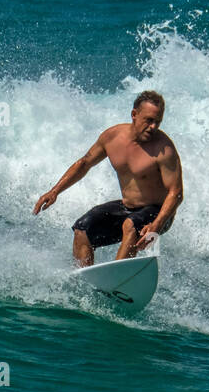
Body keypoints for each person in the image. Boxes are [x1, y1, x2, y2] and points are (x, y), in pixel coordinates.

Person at [33, 91, 183, 266]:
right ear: (134, 114)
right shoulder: (112, 138)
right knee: (83, 227)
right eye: (149, 120)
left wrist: (156, 225)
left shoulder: (164, 149)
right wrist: (55, 191)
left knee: (130, 224)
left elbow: (176, 193)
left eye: (158, 122)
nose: (153, 127)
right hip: (129, 208)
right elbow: (84, 163)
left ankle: (117, 277)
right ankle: (87, 278)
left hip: (158, 213)